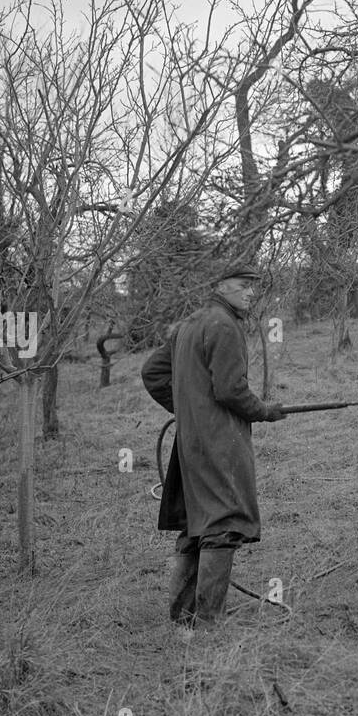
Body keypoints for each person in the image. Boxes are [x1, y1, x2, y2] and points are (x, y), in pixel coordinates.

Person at [141, 265, 285, 629]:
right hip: (220, 443)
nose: (251, 293)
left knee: (195, 523)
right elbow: (230, 391)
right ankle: (208, 623)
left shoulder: (190, 323)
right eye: (243, 286)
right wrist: (265, 411)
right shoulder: (224, 325)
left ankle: (182, 618)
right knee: (222, 523)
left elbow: (152, 373)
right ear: (221, 285)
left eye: (253, 287)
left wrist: (189, 410)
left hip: (190, 443)